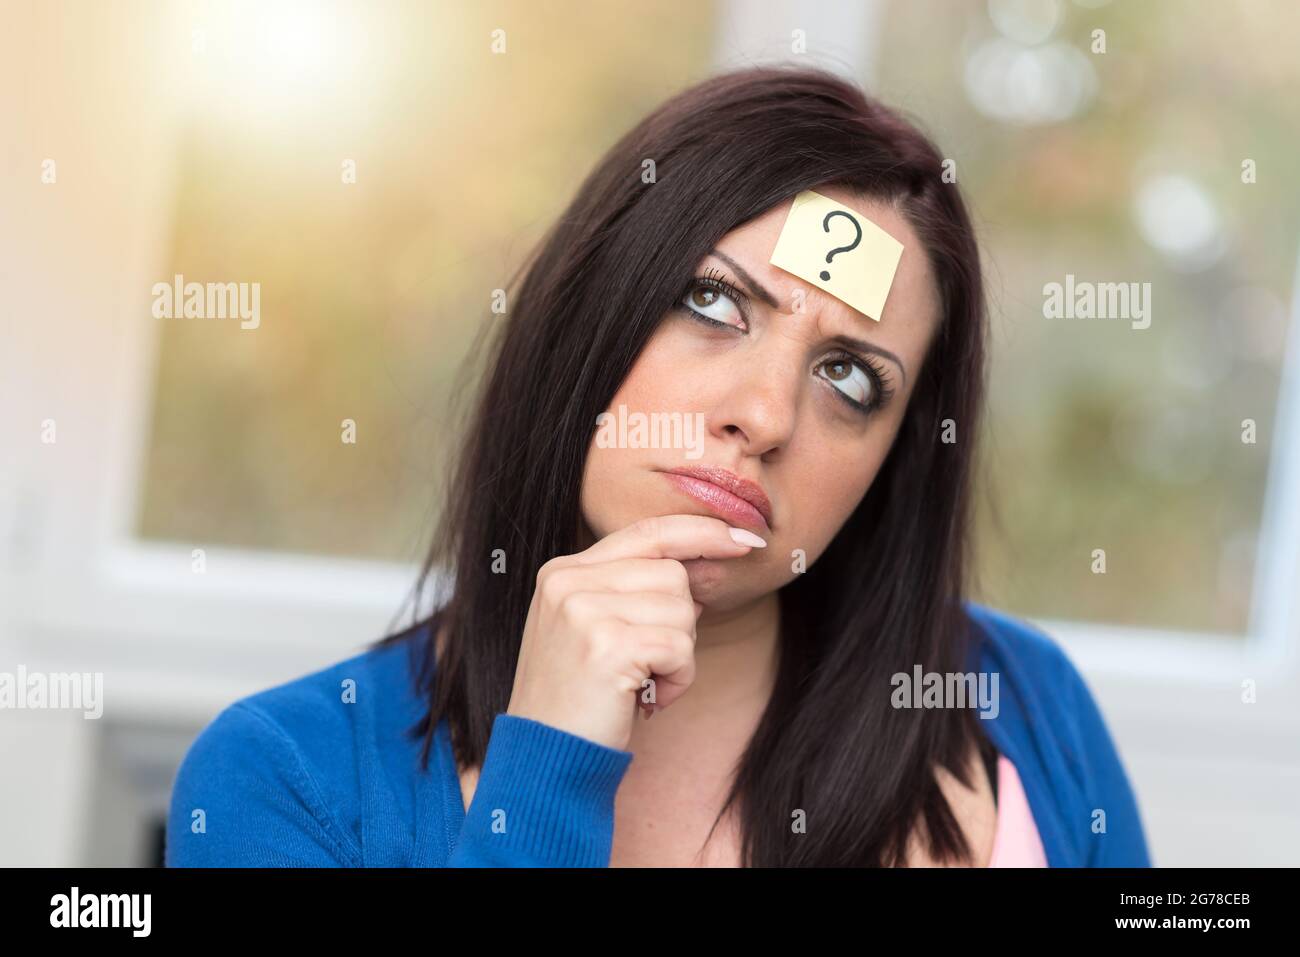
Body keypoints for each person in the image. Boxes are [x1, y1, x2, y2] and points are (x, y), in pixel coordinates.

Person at [166, 64, 1151, 868]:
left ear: (892, 464)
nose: (762, 417)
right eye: (716, 305)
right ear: (590, 307)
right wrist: (550, 767)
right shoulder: (279, 779)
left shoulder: (1022, 703)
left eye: (849, 378)